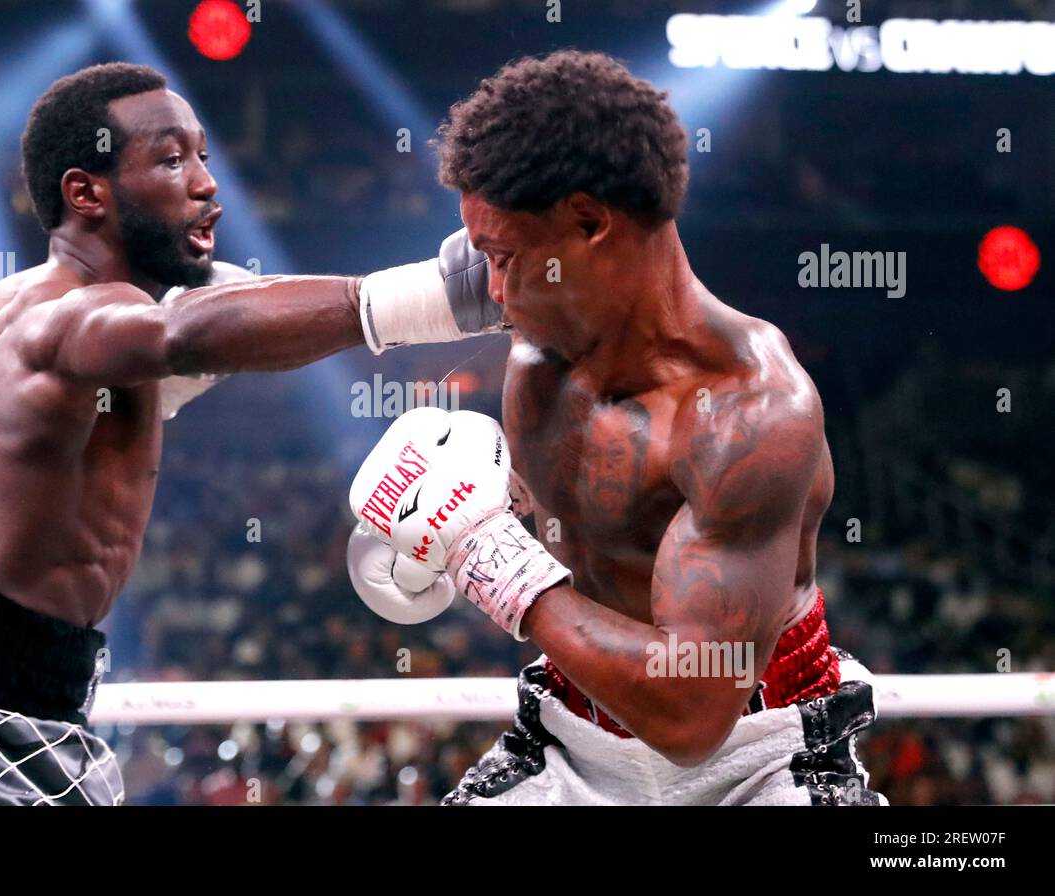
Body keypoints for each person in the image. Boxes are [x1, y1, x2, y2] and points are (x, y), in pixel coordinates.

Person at [0, 62, 499, 805]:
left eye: (203, 155)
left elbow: (182, 339)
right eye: (171, 160)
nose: (207, 183)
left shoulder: (21, 314)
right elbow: (182, 334)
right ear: (86, 194)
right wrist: (433, 299)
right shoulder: (69, 313)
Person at [346, 50, 886, 806]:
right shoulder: (539, 343)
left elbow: (694, 711)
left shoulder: (752, 412)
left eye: (503, 257)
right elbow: (288, 320)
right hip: (570, 738)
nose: (490, 288)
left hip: (758, 756)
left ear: (590, 224)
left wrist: (489, 558)